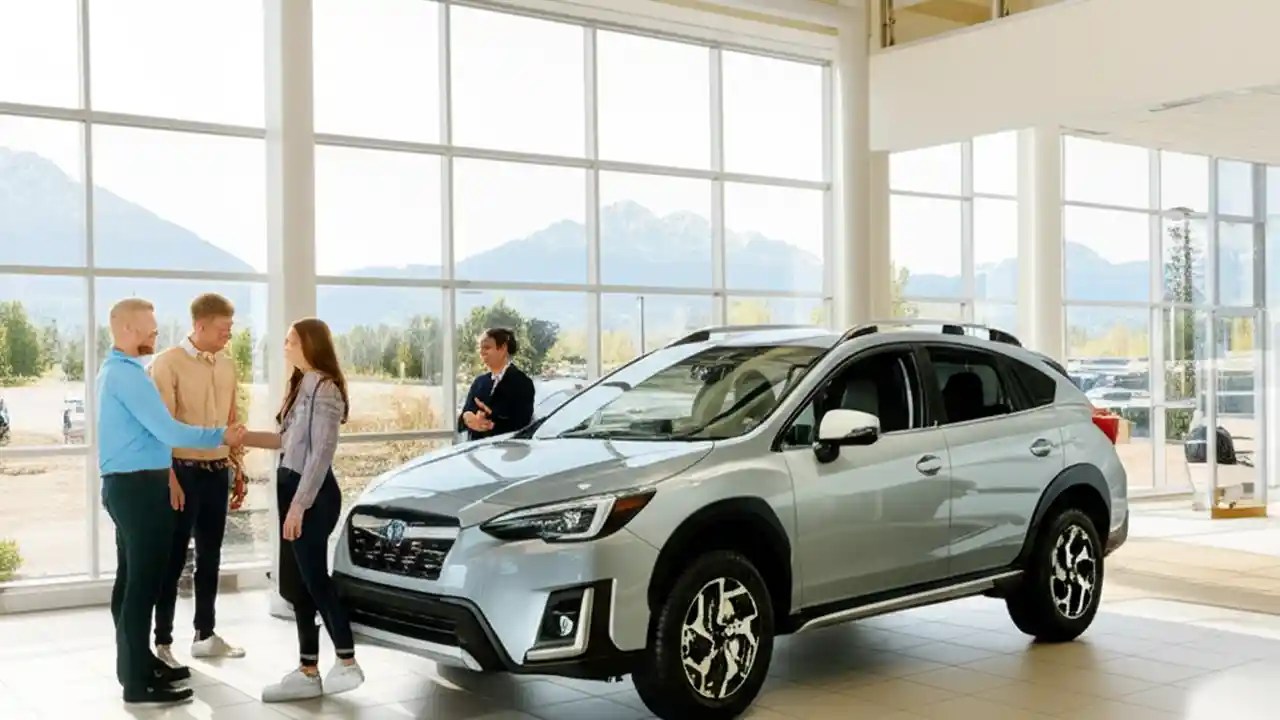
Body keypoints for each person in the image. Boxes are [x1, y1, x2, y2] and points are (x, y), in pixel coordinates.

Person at [97, 298, 245, 706]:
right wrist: (220, 437)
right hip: (138, 489)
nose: (155, 334)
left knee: (131, 582)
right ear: (126, 330)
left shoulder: (122, 371)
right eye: (149, 328)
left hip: (131, 486)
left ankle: (138, 664)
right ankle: (137, 681)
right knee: (141, 586)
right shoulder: (127, 376)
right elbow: (166, 428)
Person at [241, 318, 364, 702]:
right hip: (290, 487)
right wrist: (244, 436)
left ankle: (346, 661)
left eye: (290, 339)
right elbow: (286, 441)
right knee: (296, 584)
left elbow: (319, 456)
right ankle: (308, 669)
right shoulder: (300, 385)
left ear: (310, 344)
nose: (285, 345)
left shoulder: (325, 389)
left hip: (310, 494)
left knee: (314, 578)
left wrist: (298, 507)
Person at [148, 293, 248, 670]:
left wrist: (238, 468)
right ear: (200, 325)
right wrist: (169, 476)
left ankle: (205, 635)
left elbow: (232, 421)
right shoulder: (167, 364)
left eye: (230, 329)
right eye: (223, 329)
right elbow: (160, 428)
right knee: (173, 560)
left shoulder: (227, 365)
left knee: (211, 557)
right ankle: (162, 642)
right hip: (182, 472)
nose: (228, 336)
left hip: (217, 472)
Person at [458, 328, 536, 441]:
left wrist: (491, 420)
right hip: (476, 451)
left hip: (507, 452)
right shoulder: (479, 382)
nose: (481, 352)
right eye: (480, 348)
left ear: (503, 348)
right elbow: (463, 417)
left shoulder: (522, 383)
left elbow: (522, 423)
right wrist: (468, 418)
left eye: (487, 347)